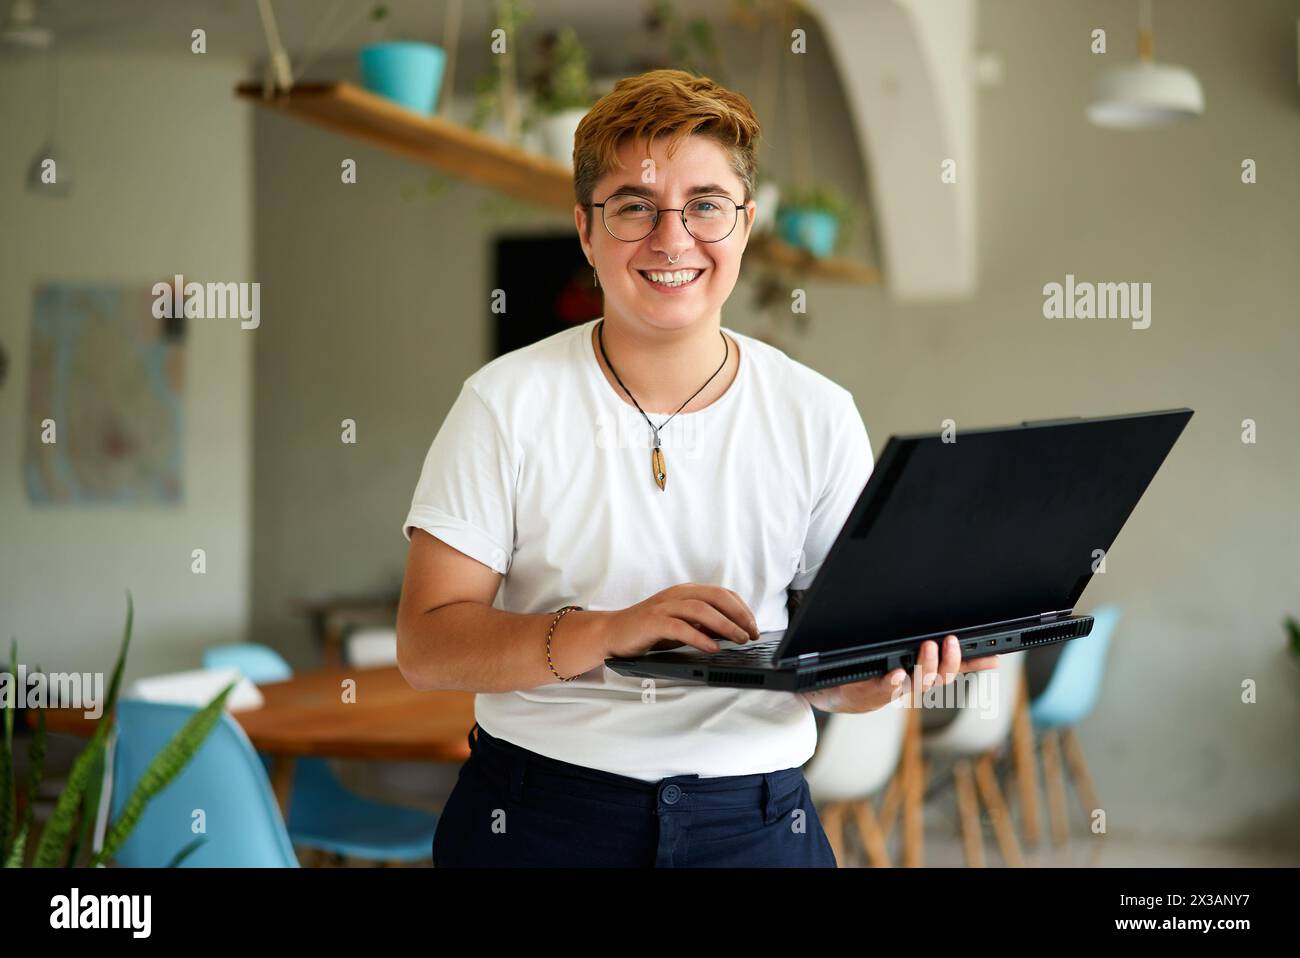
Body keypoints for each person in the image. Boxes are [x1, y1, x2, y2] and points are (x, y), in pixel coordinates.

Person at [396, 68, 998, 867]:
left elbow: (827, 672)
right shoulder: (504, 403)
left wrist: (887, 676)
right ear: (585, 229)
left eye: (705, 206)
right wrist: (610, 631)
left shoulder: (816, 413)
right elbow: (427, 645)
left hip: (756, 823)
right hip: (542, 820)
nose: (672, 239)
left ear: (744, 225)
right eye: (634, 208)